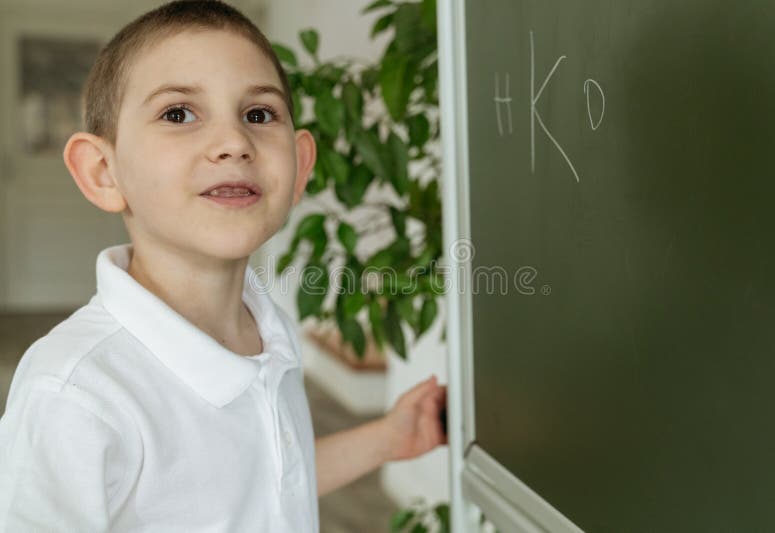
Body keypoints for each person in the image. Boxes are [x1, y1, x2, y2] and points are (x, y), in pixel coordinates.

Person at [0, 1, 447, 531]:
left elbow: (259, 482)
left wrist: (390, 437)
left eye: (259, 115)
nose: (235, 143)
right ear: (103, 172)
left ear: (300, 166)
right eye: (178, 114)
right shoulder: (75, 392)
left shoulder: (269, 327)